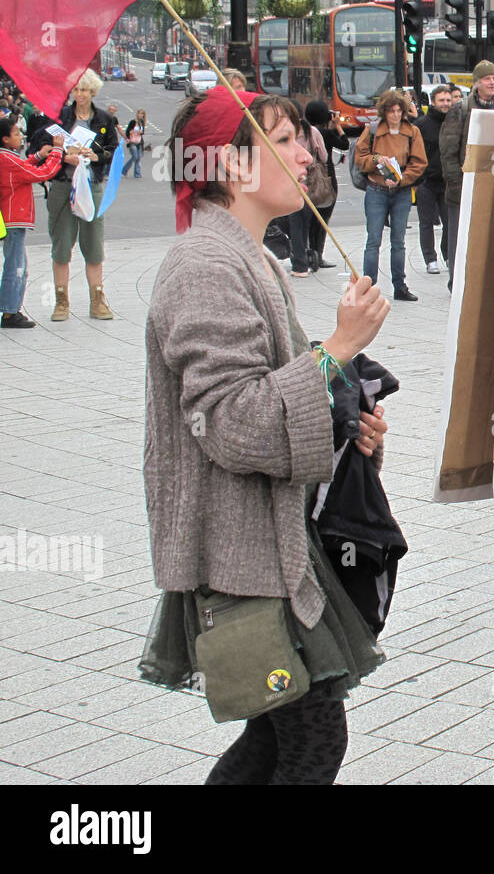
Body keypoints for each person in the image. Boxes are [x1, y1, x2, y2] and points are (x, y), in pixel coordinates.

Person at [137, 89, 391, 784]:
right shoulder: (204, 266)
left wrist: (349, 422)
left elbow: (281, 395)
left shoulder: (250, 257)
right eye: (283, 139)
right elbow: (235, 424)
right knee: (310, 738)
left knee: (278, 740)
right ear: (228, 164)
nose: (307, 152)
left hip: (271, 542)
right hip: (239, 552)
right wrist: (336, 349)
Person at [47, 70, 119, 321]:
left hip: (91, 185)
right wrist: (61, 154)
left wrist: (96, 156)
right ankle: (61, 301)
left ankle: (97, 300)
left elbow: (113, 150)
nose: (79, 95)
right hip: (63, 184)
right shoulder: (60, 116)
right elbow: (40, 146)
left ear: (93, 92)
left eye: (84, 90)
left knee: (94, 244)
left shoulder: (104, 119)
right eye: (76, 90)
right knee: (61, 245)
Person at [356, 90, 427, 301]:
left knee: (399, 241)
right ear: (384, 112)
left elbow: (419, 162)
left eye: (399, 111)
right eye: (391, 111)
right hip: (376, 188)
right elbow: (360, 157)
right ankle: (369, 287)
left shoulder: (412, 131)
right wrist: (378, 159)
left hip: (402, 190)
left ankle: (399, 285)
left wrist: (402, 179)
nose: (395, 115)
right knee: (373, 240)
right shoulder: (373, 130)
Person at [439, 62, 494, 293]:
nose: (492, 82)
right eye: (487, 79)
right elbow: (448, 151)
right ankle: (457, 282)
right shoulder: (461, 109)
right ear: (477, 82)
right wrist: (457, 183)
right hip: (464, 185)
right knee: (460, 237)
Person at [1, 118, 68, 328]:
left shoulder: (7, 158)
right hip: (13, 218)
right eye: (16, 134)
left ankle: (11, 309)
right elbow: (41, 173)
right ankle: (10, 312)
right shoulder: (5, 159)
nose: (20, 136)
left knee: (18, 264)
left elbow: (23, 167)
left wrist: (38, 155)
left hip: (13, 218)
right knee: (16, 266)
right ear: (5, 139)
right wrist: (57, 151)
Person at [302, 101, 346, 272]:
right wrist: (338, 126)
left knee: (308, 219)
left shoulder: (304, 131)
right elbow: (345, 144)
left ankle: (306, 253)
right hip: (325, 179)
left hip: (307, 178)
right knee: (323, 218)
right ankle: (318, 255)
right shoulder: (326, 133)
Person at [414, 84, 453, 274]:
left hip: (447, 182)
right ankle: (430, 258)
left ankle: (447, 255)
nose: (445, 104)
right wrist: (418, 178)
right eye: (441, 100)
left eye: (448, 100)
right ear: (433, 102)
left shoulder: (454, 122)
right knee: (426, 222)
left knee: (449, 221)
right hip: (427, 182)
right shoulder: (421, 125)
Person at [287, 113, 331, 277]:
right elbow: (324, 157)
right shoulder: (313, 132)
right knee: (305, 224)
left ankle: (300, 265)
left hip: (292, 183)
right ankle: (307, 256)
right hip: (311, 185)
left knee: (295, 225)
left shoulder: (286, 133)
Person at [123, 108, 147, 179]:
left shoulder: (142, 122)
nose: (140, 115)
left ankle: (137, 174)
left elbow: (142, 132)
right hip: (132, 142)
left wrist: (141, 132)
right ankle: (124, 170)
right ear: (137, 114)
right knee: (135, 156)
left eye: (142, 114)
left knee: (138, 158)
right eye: (139, 113)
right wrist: (130, 134)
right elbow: (127, 131)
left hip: (139, 142)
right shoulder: (133, 122)